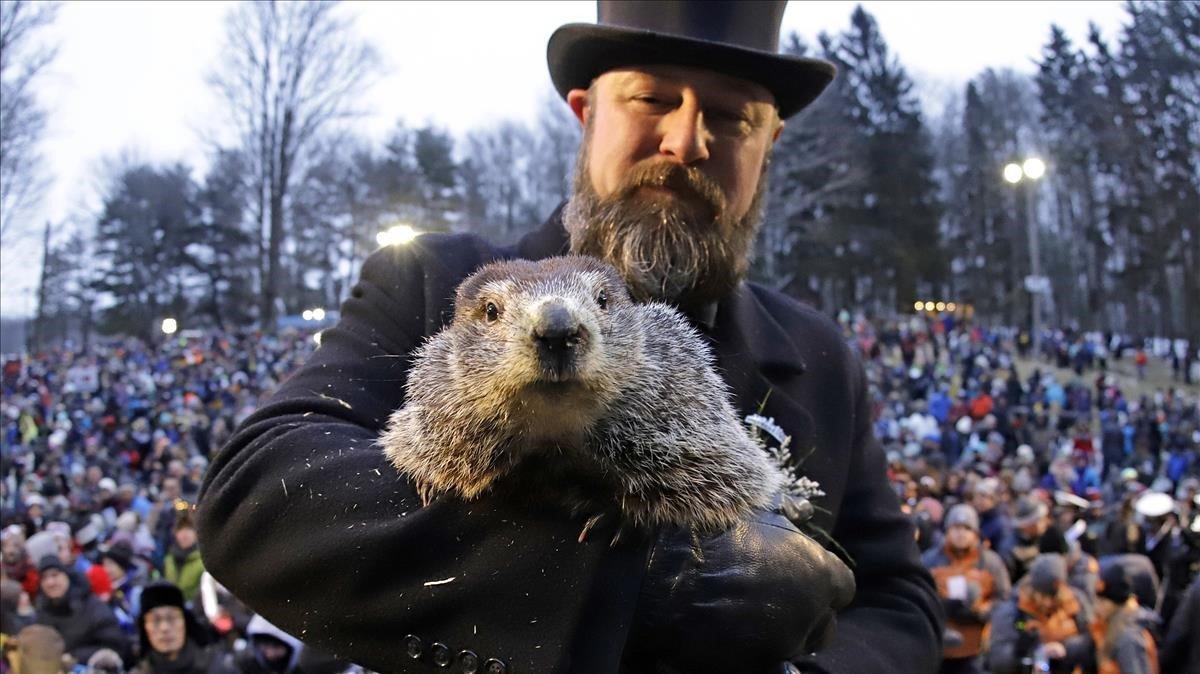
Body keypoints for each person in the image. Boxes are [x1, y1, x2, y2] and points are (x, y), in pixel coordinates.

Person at [197, 2, 941, 672]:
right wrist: (628, 589)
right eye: (652, 98)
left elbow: (898, 604)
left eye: (731, 116)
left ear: (770, 141)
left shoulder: (819, 355)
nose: (686, 140)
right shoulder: (430, 278)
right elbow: (260, 498)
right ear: (587, 113)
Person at [922, 504, 1011, 674]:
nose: (961, 533)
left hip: (977, 648)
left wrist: (985, 611)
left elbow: (1004, 598)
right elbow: (919, 596)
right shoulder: (930, 560)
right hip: (941, 646)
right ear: (947, 530)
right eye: (956, 527)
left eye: (967, 528)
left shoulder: (991, 562)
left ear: (975, 533)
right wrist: (941, 606)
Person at [987, 554, 1094, 674]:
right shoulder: (1013, 610)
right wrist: (1028, 651)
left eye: (1053, 596)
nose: (1047, 602)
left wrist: (1066, 649)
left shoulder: (1077, 603)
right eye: (1042, 596)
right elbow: (997, 660)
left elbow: (1092, 640)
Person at [31, 556, 129, 666]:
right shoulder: (42, 612)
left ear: (67, 575)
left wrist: (74, 657)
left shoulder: (93, 608)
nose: (50, 582)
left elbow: (115, 647)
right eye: (44, 578)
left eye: (55, 575)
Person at [133, 583, 224, 674]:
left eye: (171, 618)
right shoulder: (140, 670)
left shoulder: (216, 665)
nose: (164, 628)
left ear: (185, 622)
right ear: (144, 627)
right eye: (156, 620)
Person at [1088, 564, 1158, 674]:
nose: (1097, 607)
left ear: (1115, 603)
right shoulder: (1110, 625)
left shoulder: (1129, 638)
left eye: (1102, 601)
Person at [161, 514, 203, 604]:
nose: (184, 534)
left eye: (189, 529)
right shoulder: (169, 559)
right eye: (180, 529)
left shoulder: (203, 561)